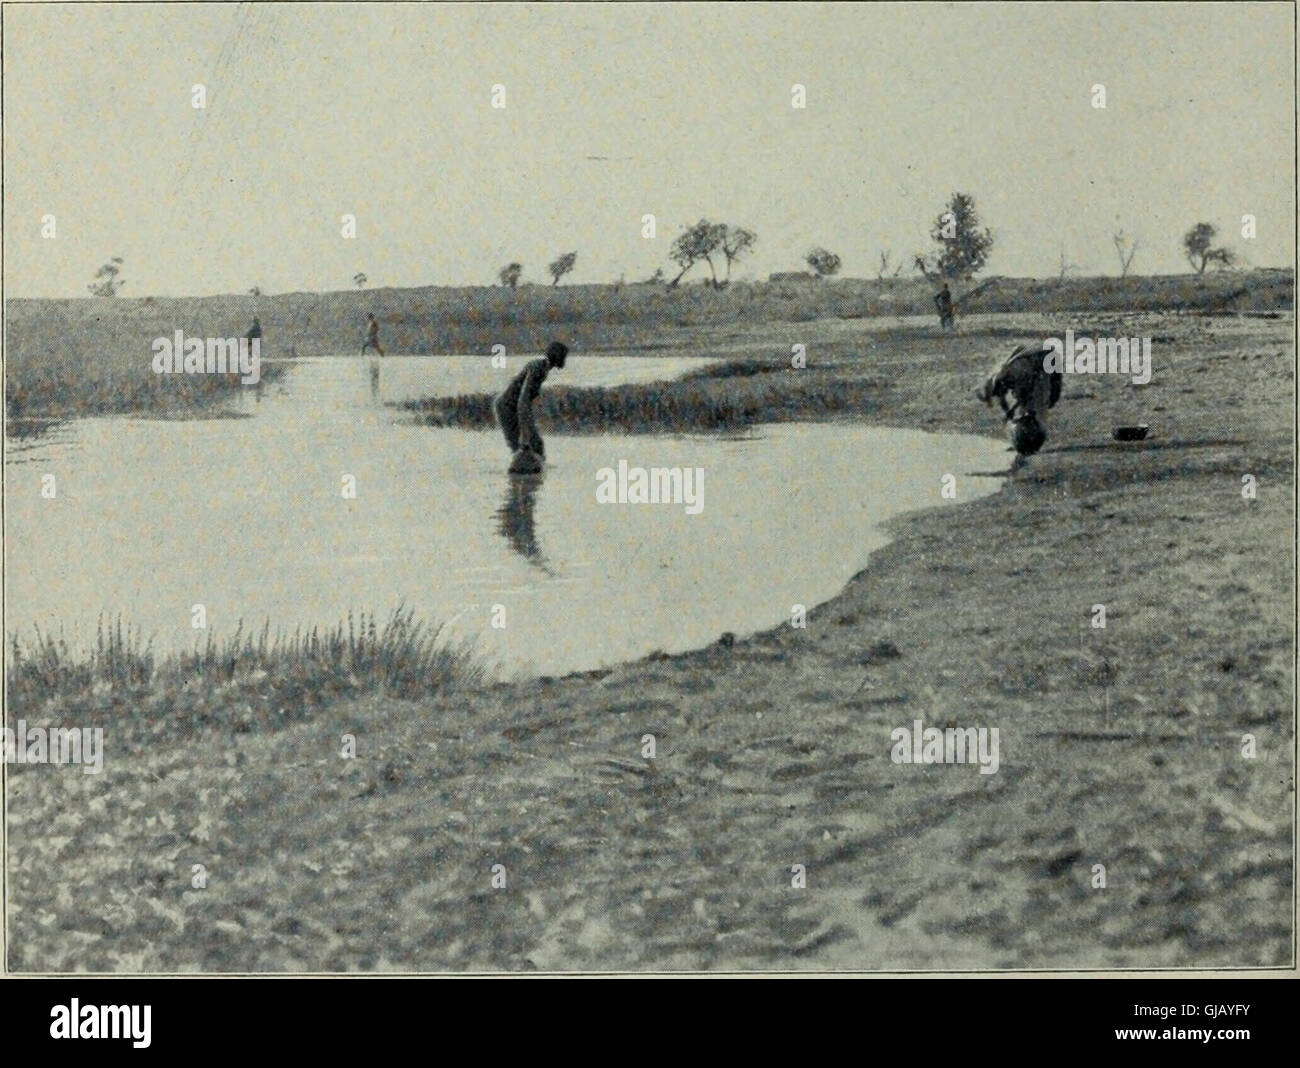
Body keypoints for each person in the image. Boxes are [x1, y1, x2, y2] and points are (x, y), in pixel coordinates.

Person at [977, 342, 1063, 456]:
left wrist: (1012, 413)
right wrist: (1009, 412)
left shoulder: (1013, 372)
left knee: (1042, 404)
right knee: (1031, 408)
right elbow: (1003, 399)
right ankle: (1027, 440)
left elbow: (1025, 392)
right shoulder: (999, 379)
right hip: (1038, 363)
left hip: (1045, 361)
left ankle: (1033, 442)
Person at [494, 341, 568, 463]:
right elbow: (523, 400)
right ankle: (525, 472)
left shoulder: (542, 368)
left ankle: (532, 470)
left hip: (514, 407)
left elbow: (527, 398)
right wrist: (525, 433)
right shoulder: (537, 368)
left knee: (535, 444)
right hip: (507, 408)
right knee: (522, 446)